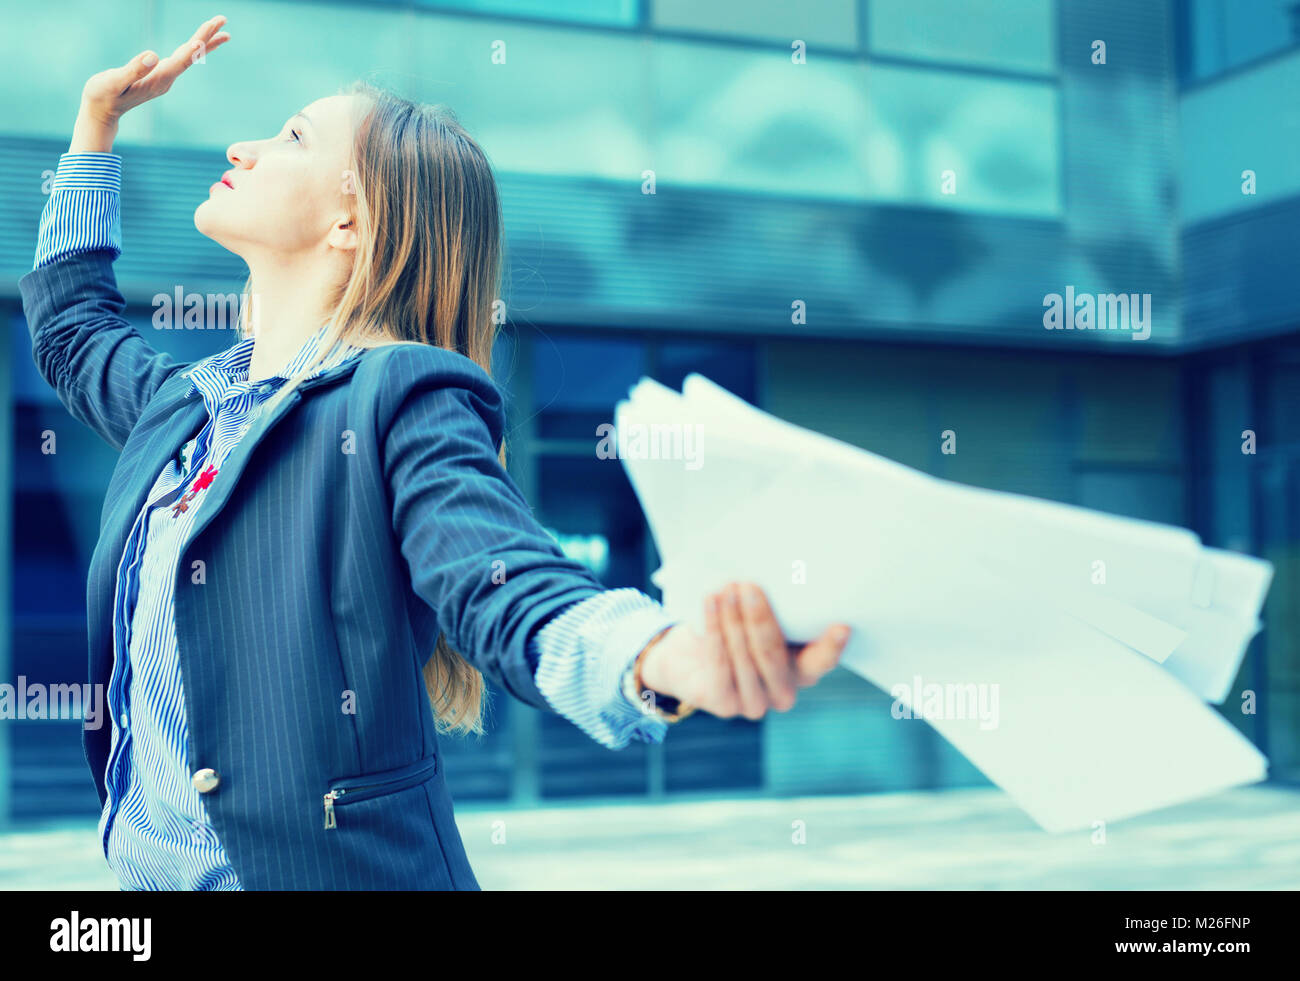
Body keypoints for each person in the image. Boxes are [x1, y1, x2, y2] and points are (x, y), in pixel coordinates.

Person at [19, 14, 852, 890]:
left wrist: (660, 660)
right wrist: (96, 124)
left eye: (293, 137)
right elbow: (72, 328)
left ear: (353, 221)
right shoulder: (186, 411)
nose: (245, 146)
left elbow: (500, 576)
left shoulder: (402, 397)